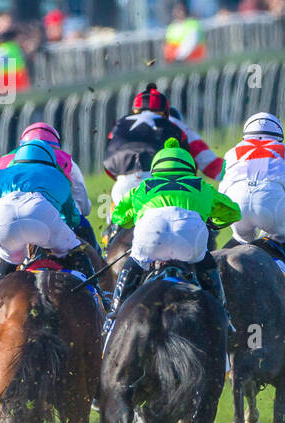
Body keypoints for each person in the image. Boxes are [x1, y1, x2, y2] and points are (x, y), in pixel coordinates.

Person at [102, 138, 242, 347]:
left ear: (156, 168)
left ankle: (112, 318)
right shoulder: (201, 186)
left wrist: (135, 216)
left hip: (151, 236)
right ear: (190, 168)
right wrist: (213, 220)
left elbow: (119, 217)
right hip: (189, 238)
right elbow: (233, 212)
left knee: (135, 263)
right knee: (205, 262)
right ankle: (224, 318)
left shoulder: (144, 187)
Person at [0, 139, 92, 287]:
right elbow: (72, 218)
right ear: (50, 161)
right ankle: (95, 292)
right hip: (39, 215)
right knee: (73, 249)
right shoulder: (57, 176)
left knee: (9, 259)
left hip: (0, 220)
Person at [219, 112, 285, 285]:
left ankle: (214, 280)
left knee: (238, 242)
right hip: (271, 209)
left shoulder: (231, 153)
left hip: (237, 209)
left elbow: (224, 187)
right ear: (279, 135)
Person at [103, 83, 222, 209]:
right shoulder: (173, 125)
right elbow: (189, 164)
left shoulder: (120, 125)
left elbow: (107, 162)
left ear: (135, 110)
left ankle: (112, 226)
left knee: (115, 218)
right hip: (157, 187)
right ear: (165, 112)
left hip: (122, 186)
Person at [0, 122, 99, 250]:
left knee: (6, 257)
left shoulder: (1, 162)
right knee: (87, 246)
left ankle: (1, 271)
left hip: (8, 219)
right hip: (53, 220)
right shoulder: (65, 160)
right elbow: (84, 206)